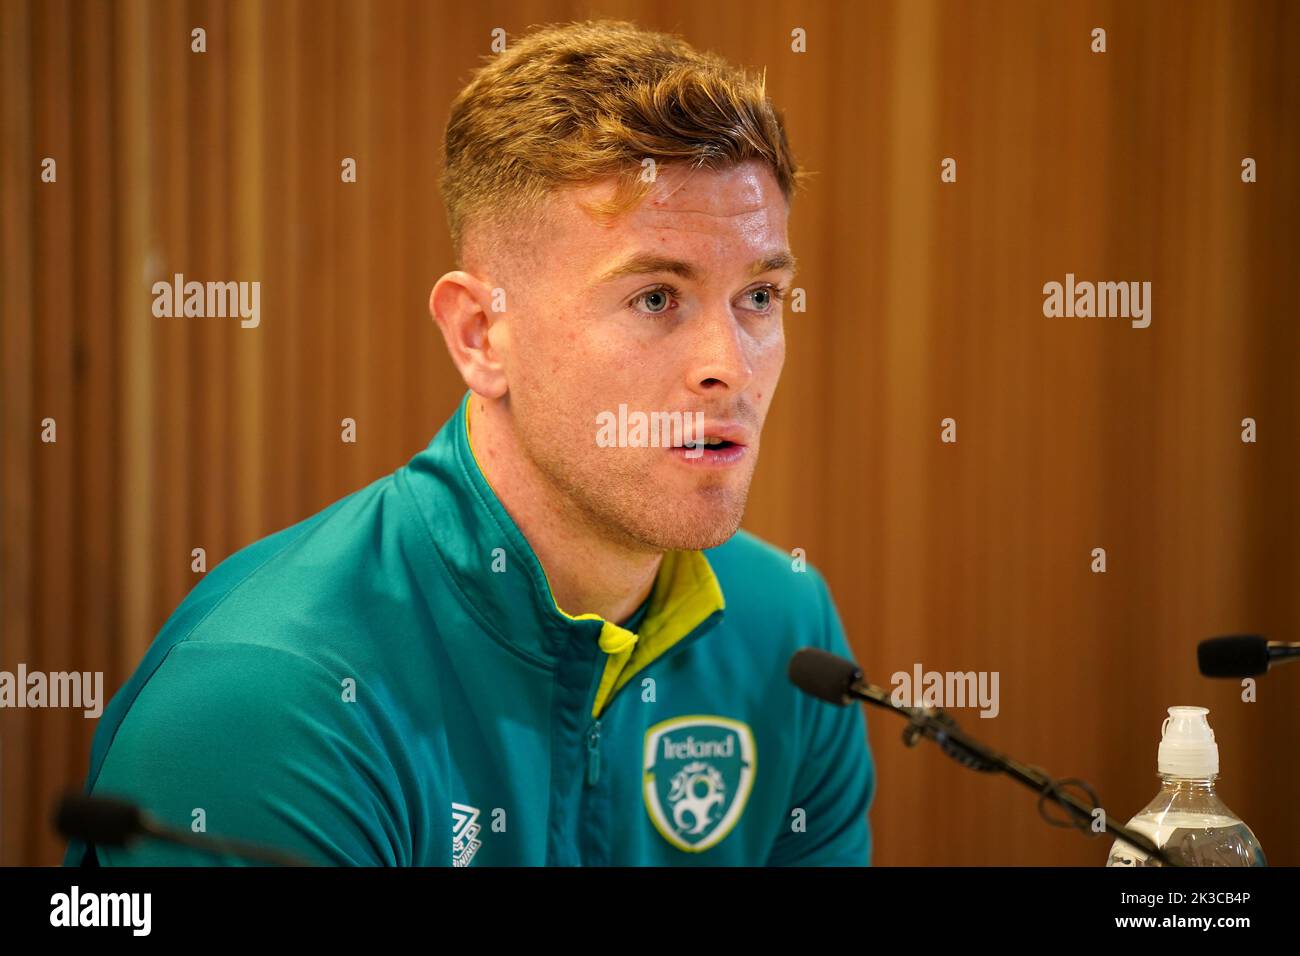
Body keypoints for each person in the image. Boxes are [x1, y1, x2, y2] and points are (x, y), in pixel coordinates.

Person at [64, 18, 874, 867]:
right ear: (482, 335)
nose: (728, 369)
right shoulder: (271, 693)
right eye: (656, 299)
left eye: (759, 298)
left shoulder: (786, 633)